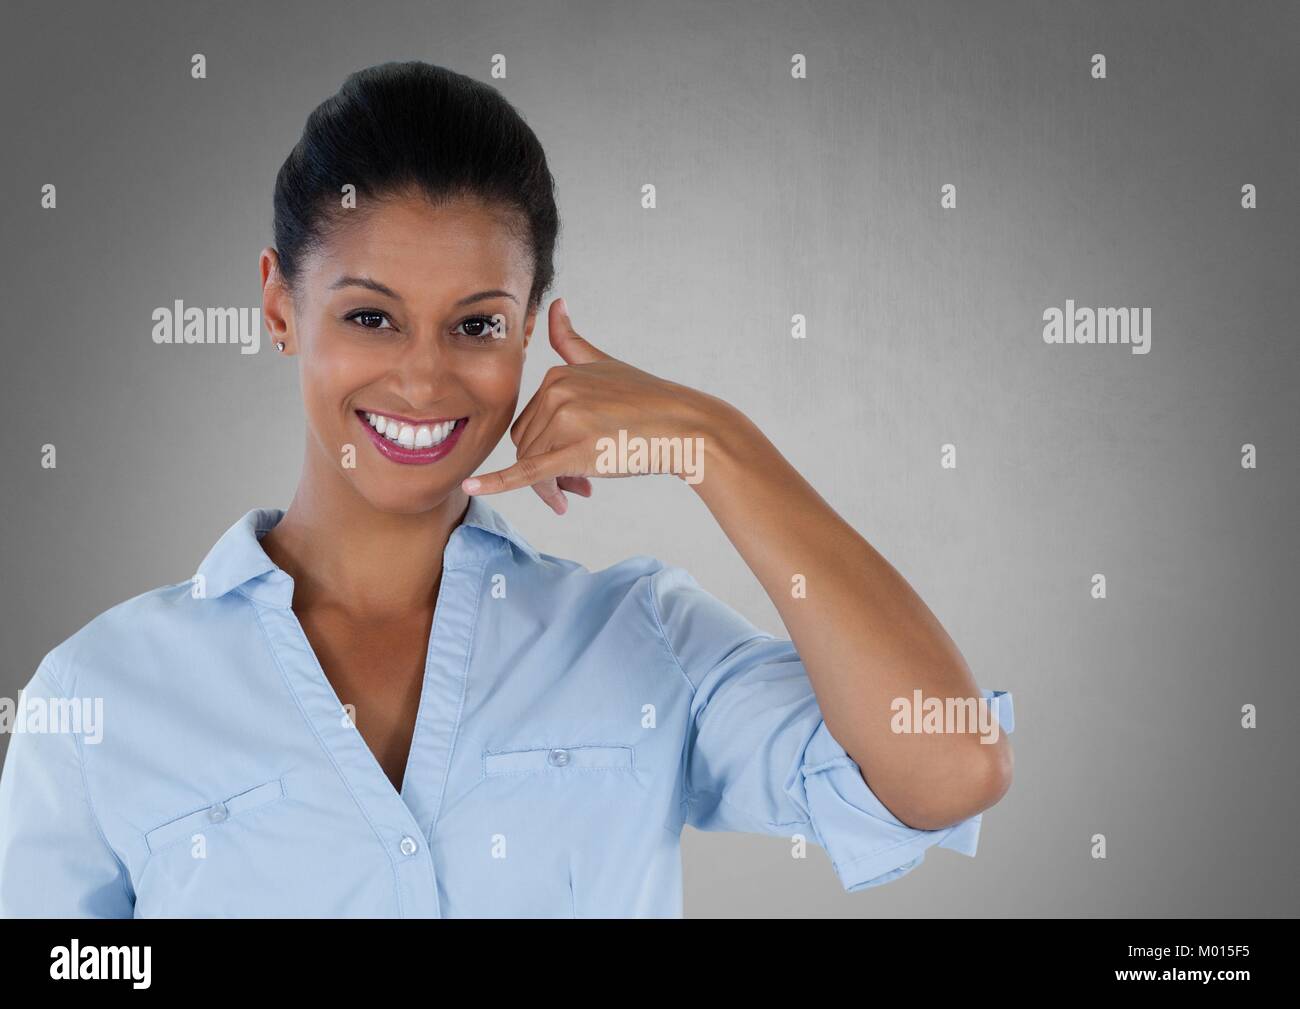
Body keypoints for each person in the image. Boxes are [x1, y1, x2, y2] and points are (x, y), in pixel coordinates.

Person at [0, 60, 1014, 917]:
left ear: (528, 329)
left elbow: (949, 768)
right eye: (369, 317)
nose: (423, 378)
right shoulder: (98, 698)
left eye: (476, 324)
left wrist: (719, 444)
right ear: (278, 304)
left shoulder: (636, 637)